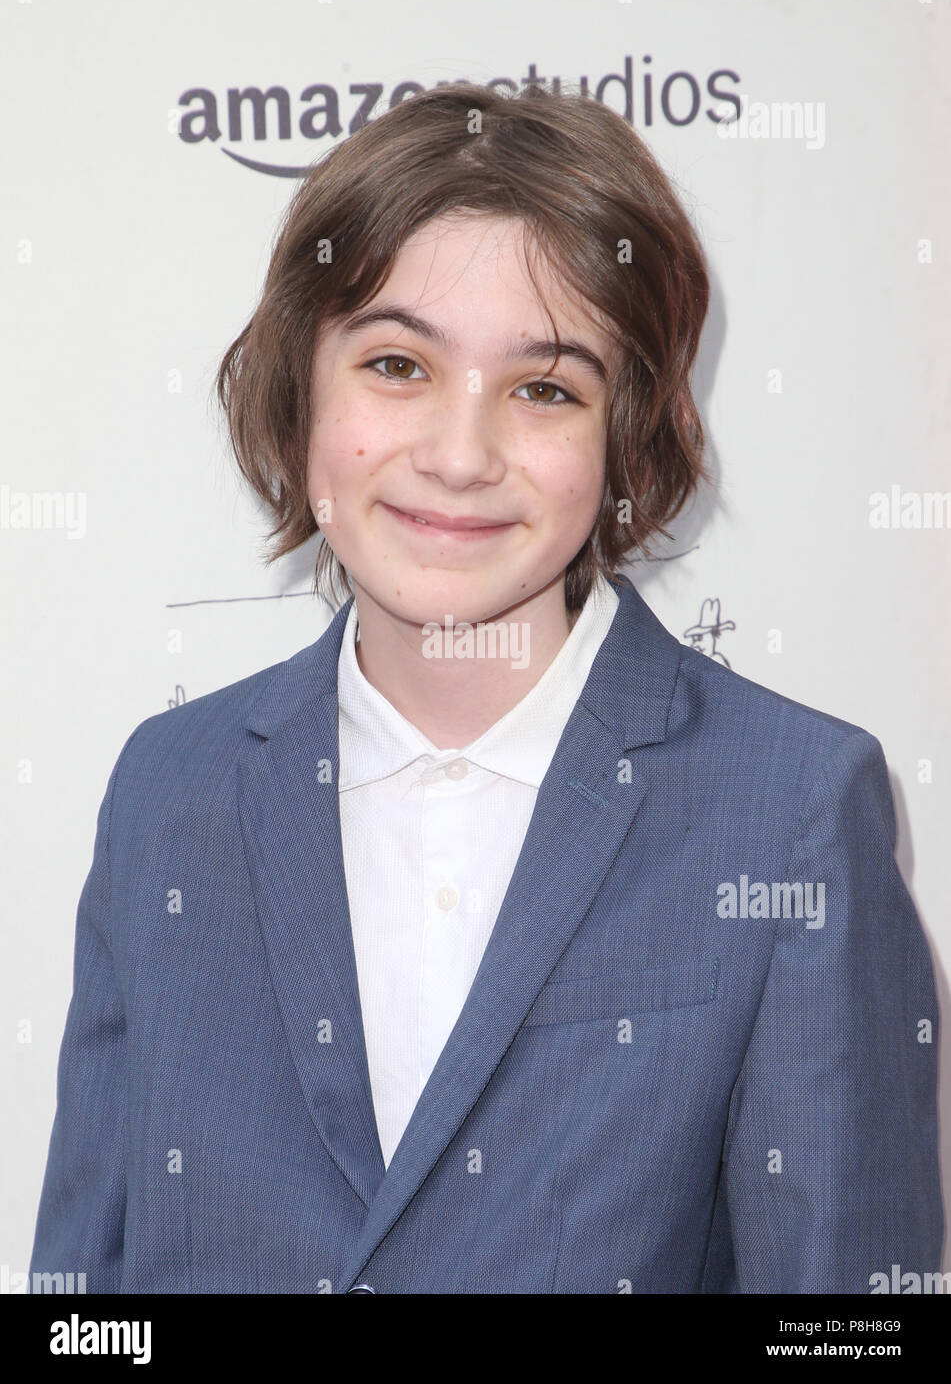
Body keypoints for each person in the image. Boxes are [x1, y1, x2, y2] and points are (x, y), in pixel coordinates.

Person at [30, 82, 943, 1294]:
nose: (461, 454)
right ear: (301, 397)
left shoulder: (792, 809)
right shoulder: (168, 788)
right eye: (398, 363)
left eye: (545, 387)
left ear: (631, 437)